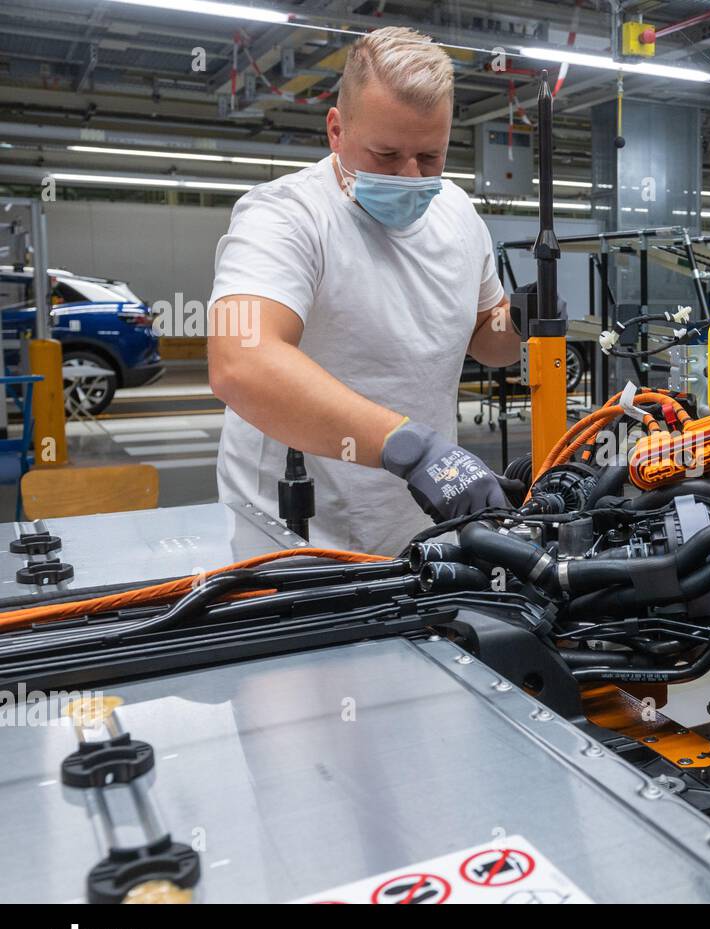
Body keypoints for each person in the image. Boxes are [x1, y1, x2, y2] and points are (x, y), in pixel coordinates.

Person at [207, 26, 517, 555]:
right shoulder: (285, 216)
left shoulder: (458, 214)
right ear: (336, 130)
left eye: (431, 158)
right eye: (387, 155)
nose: (411, 175)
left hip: (423, 536)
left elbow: (489, 342)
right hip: (296, 543)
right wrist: (413, 449)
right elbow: (242, 362)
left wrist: (525, 320)